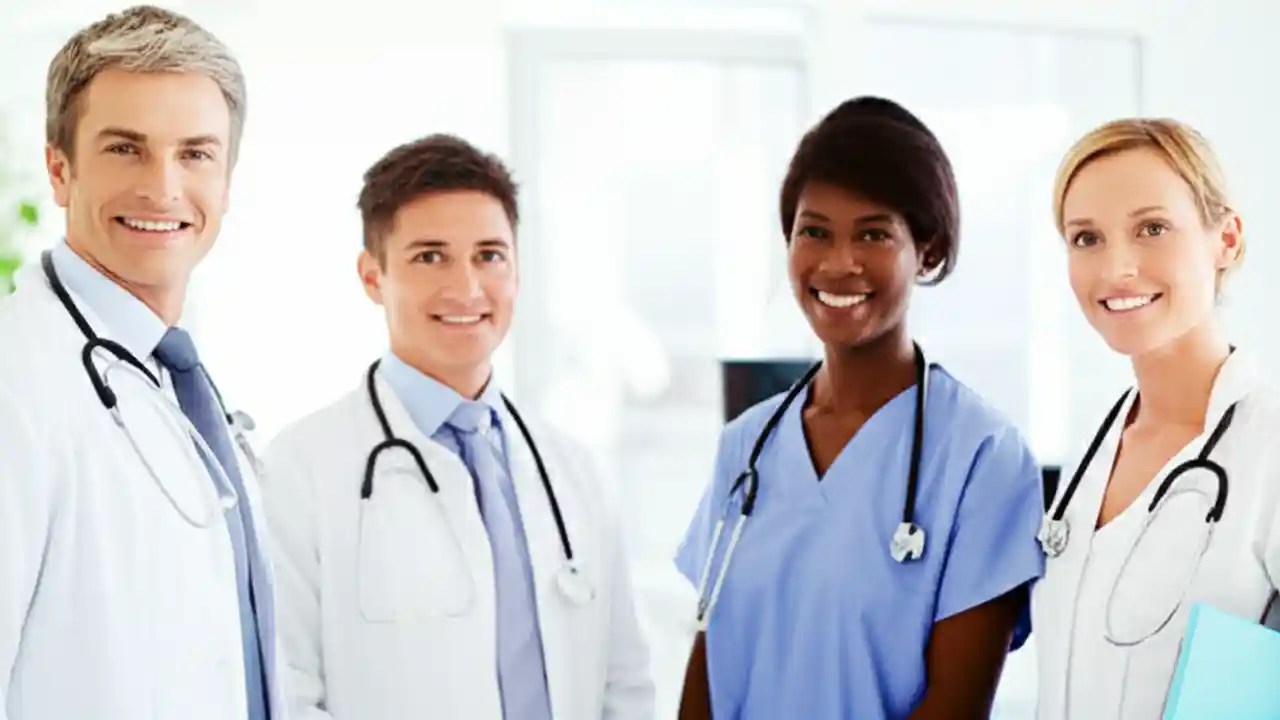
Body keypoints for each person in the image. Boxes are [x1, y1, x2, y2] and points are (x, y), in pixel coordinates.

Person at [258, 134, 655, 719]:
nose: (467, 288)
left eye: (489, 255)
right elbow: (288, 691)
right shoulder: (299, 467)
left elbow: (626, 684)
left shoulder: (571, 468)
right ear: (373, 276)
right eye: (430, 256)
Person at [673, 96, 1046, 719]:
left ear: (925, 250)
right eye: (814, 231)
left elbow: (956, 707)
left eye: (874, 233)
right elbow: (708, 668)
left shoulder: (983, 457)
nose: (839, 262)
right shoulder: (746, 447)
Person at [0, 6, 286, 719]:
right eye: (125, 148)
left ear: (228, 179)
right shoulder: (17, 384)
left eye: (195, 153)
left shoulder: (173, 381)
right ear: (59, 169)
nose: (163, 187)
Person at [1033, 118, 1280, 719]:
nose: (1117, 267)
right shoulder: (1097, 450)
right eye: (1086, 238)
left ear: (1225, 239)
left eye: (1152, 228)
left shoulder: (1267, 441)